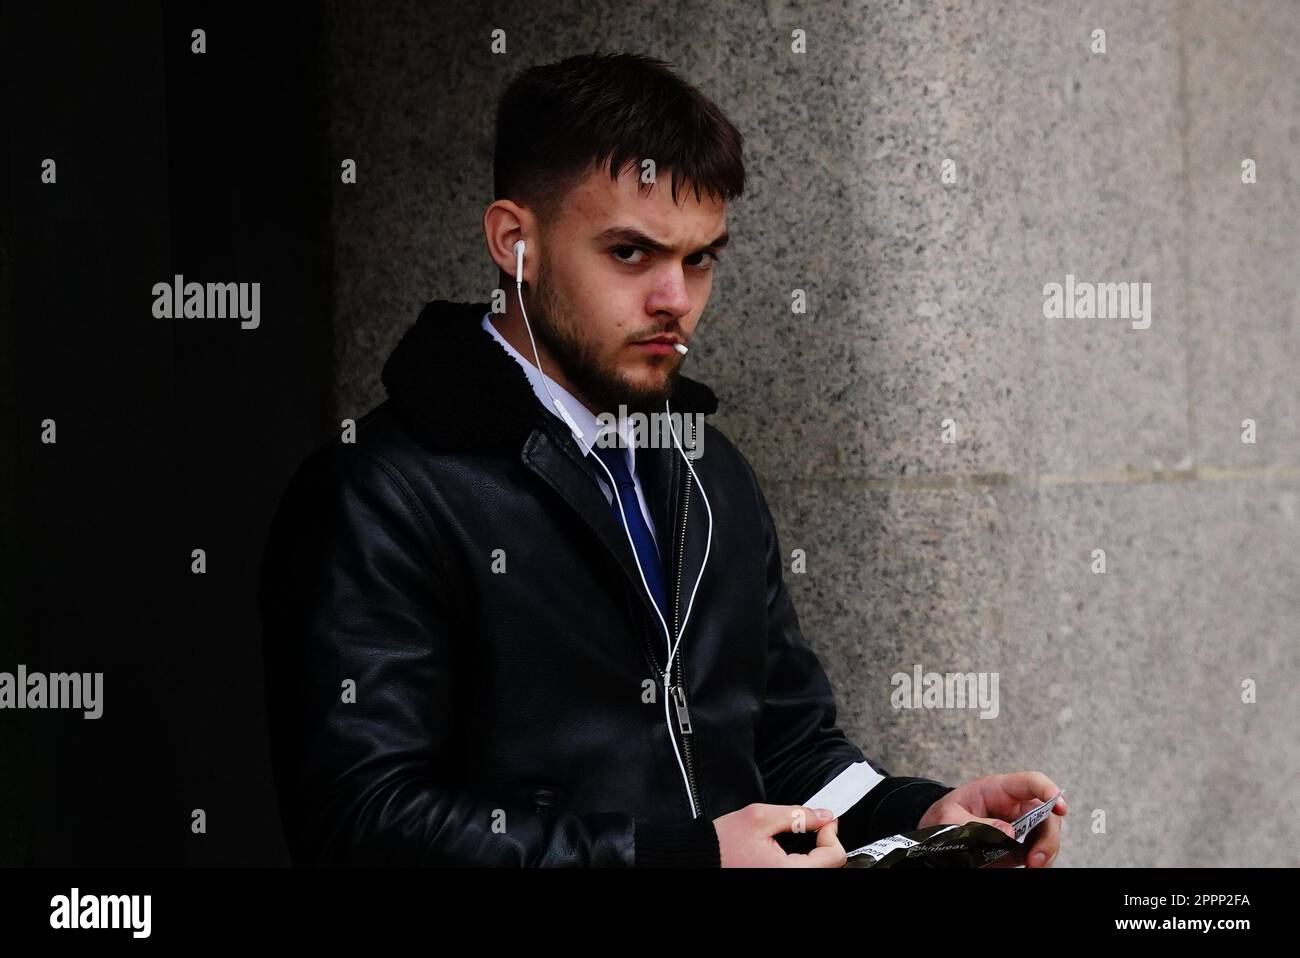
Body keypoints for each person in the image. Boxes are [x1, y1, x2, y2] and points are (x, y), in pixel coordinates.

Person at [258, 51, 1065, 867]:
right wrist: (688, 860)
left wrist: (922, 813)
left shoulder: (710, 475)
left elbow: (792, 746)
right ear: (515, 243)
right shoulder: (377, 494)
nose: (674, 300)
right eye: (630, 254)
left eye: (699, 258)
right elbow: (364, 825)